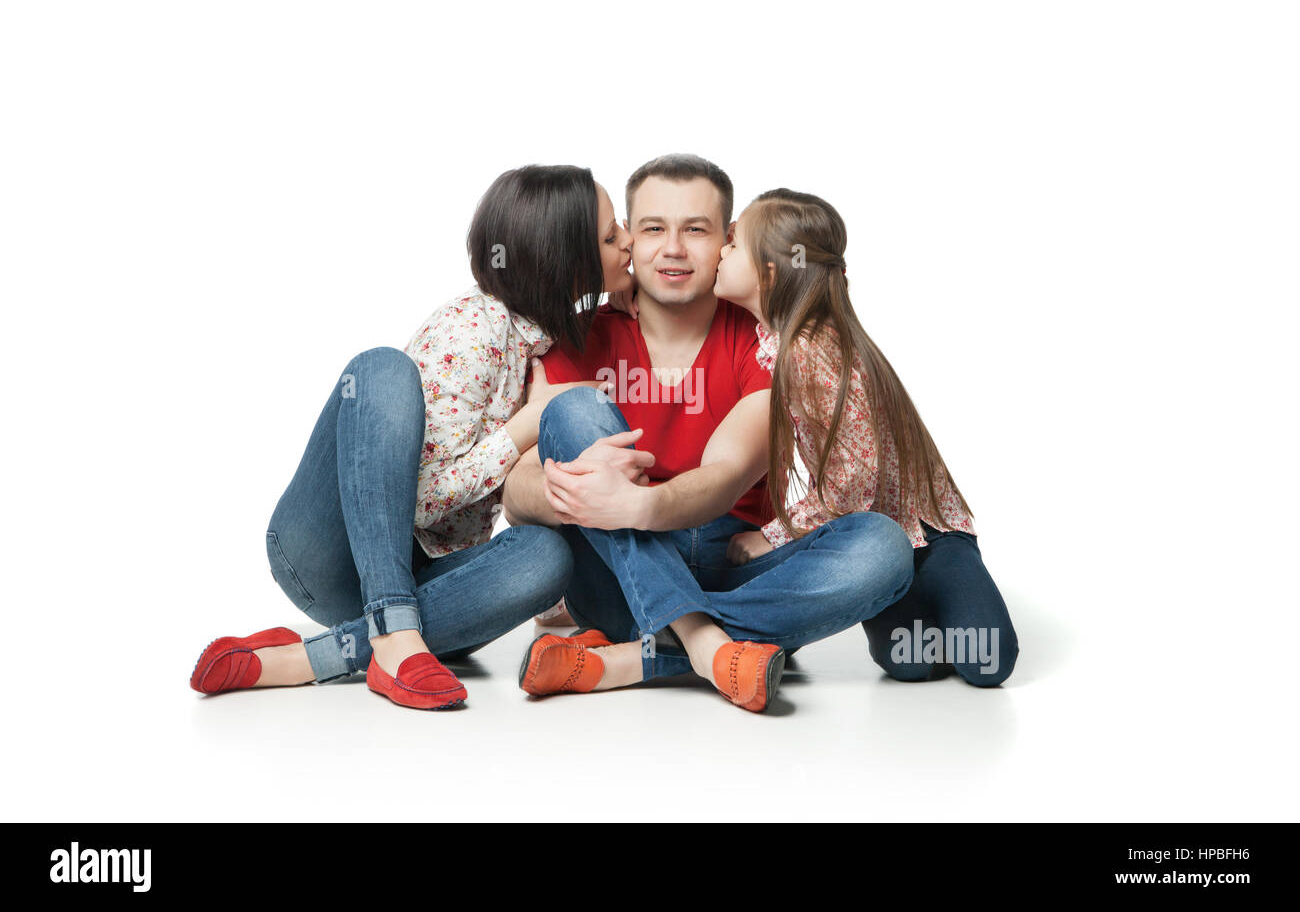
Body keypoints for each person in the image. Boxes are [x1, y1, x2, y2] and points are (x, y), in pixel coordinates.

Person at [190, 165, 633, 709]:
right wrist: (523, 429)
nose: (630, 242)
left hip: (424, 576)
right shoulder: (475, 331)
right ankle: (394, 633)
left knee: (547, 557)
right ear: (567, 265)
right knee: (381, 369)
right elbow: (418, 501)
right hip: (334, 554)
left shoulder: (546, 346)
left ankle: (329, 653)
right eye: (613, 236)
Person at [503, 155, 915, 713]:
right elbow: (514, 493)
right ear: (628, 239)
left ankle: (639, 656)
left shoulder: (766, 337)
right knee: (576, 408)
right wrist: (575, 491)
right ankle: (709, 643)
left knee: (883, 546)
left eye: (694, 230)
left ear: (726, 242)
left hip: (736, 566)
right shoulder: (579, 337)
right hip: (617, 575)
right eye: (652, 228)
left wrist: (639, 503)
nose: (672, 249)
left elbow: (725, 477)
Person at [715, 187, 1019, 686]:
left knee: (988, 661)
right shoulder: (780, 342)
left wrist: (771, 537)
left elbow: (854, 482)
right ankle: (918, 603)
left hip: (929, 533)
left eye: (733, 245)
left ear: (769, 272)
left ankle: (949, 583)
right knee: (910, 663)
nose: (722, 253)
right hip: (880, 545)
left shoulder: (809, 348)